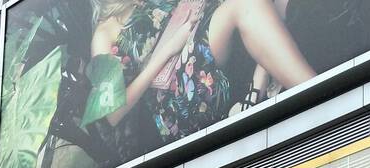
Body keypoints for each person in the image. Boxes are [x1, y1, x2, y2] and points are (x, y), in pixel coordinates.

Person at [90, 0, 316, 151]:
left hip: (193, 45)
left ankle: (262, 82)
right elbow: (112, 113)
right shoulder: (103, 34)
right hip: (174, 98)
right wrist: (168, 49)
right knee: (245, 4)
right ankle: (316, 96)